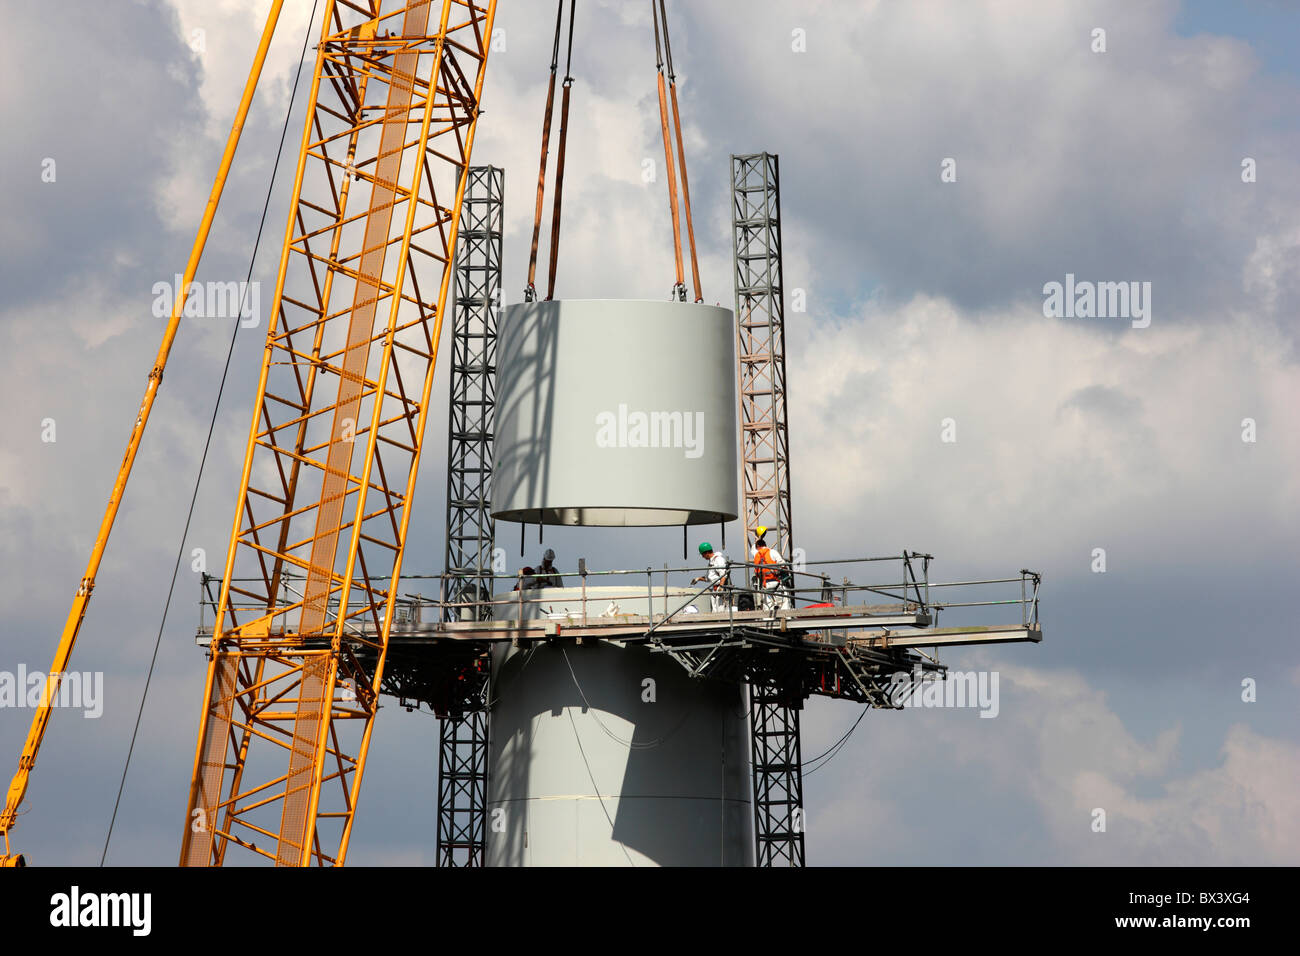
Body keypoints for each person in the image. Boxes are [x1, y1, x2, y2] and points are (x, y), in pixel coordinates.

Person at [752, 526, 792, 611]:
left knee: (768, 607)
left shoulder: (756, 555)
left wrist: (759, 537)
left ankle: (768, 621)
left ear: (758, 546)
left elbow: (753, 549)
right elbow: (782, 564)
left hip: (765, 584)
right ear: (765, 545)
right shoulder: (772, 552)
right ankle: (786, 619)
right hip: (776, 582)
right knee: (784, 602)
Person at [691, 542, 732, 612]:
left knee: (721, 611)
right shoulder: (711, 562)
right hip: (715, 590)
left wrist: (721, 587)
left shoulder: (718, 559)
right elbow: (709, 578)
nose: (702, 557)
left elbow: (723, 574)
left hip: (720, 589)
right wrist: (698, 579)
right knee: (715, 611)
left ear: (706, 553)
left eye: (703, 555)